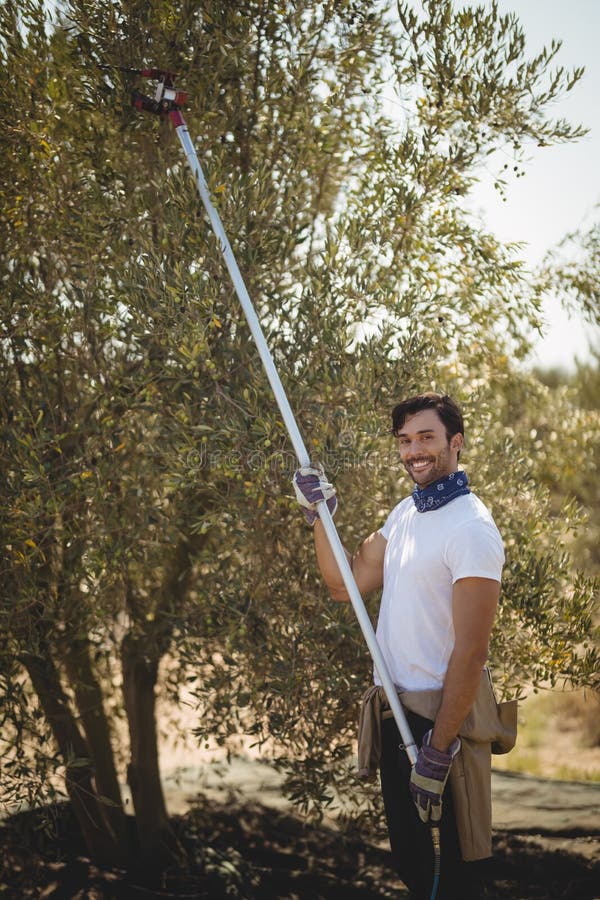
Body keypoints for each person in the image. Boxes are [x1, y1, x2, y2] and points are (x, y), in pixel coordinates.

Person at [293, 392, 505, 900]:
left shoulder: (472, 528)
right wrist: (320, 514)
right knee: (413, 866)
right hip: (396, 711)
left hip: (444, 722)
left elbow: (472, 653)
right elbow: (344, 583)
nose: (414, 451)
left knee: (455, 874)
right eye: (405, 441)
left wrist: (438, 752)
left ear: (456, 442)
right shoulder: (405, 515)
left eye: (426, 438)